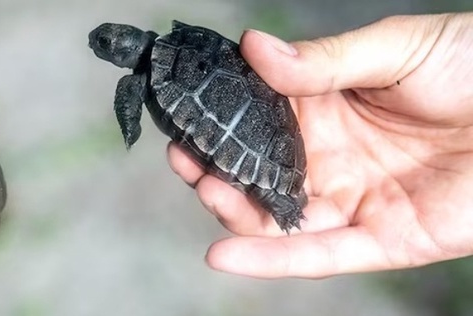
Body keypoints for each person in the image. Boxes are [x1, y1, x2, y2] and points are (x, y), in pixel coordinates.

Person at [167, 12, 473, 279]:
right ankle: (284, 200)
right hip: (273, 149)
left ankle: (284, 204)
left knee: (265, 191)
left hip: (263, 146)